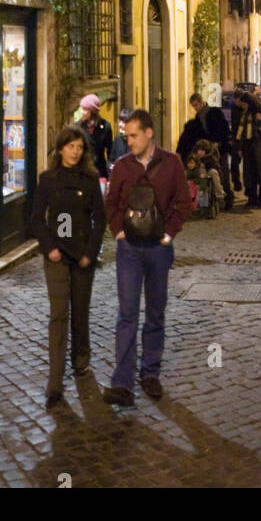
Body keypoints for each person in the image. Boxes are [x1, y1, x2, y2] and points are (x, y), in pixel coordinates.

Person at [102, 108, 192, 406]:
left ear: (149, 133)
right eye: (127, 136)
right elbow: (111, 203)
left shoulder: (172, 163)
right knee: (127, 314)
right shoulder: (122, 166)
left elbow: (183, 203)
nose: (129, 142)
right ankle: (122, 382)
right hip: (129, 250)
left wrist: (167, 236)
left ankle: (150, 372)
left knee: (155, 312)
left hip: (158, 249)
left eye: (133, 136)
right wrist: (119, 233)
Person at [30, 126, 106, 407]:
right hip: (57, 256)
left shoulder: (89, 179)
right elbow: (37, 218)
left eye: (79, 147)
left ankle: (81, 362)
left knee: (80, 311)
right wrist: (49, 247)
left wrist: (90, 252)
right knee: (59, 312)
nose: (75, 152)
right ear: (60, 149)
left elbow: (100, 219)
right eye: (71, 146)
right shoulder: (47, 180)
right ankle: (55, 377)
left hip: (82, 254)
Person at [178, 92, 234, 210]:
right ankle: (209, 201)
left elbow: (223, 129)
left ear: (201, 101)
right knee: (208, 174)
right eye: (193, 106)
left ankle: (228, 199)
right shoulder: (197, 119)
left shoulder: (215, 112)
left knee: (223, 173)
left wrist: (218, 142)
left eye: (196, 105)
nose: (196, 108)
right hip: (208, 151)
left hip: (220, 149)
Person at [232, 90, 261, 208]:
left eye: (245, 103)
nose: (244, 106)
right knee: (249, 175)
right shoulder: (245, 113)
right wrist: (240, 148)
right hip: (248, 147)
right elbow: (242, 131)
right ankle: (252, 199)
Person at [74, 93, 113, 179]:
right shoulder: (78, 127)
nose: (81, 112)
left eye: (85, 109)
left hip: (100, 172)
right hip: (82, 172)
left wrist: (110, 172)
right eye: (81, 109)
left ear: (92, 111)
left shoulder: (105, 127)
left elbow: (110, 152)